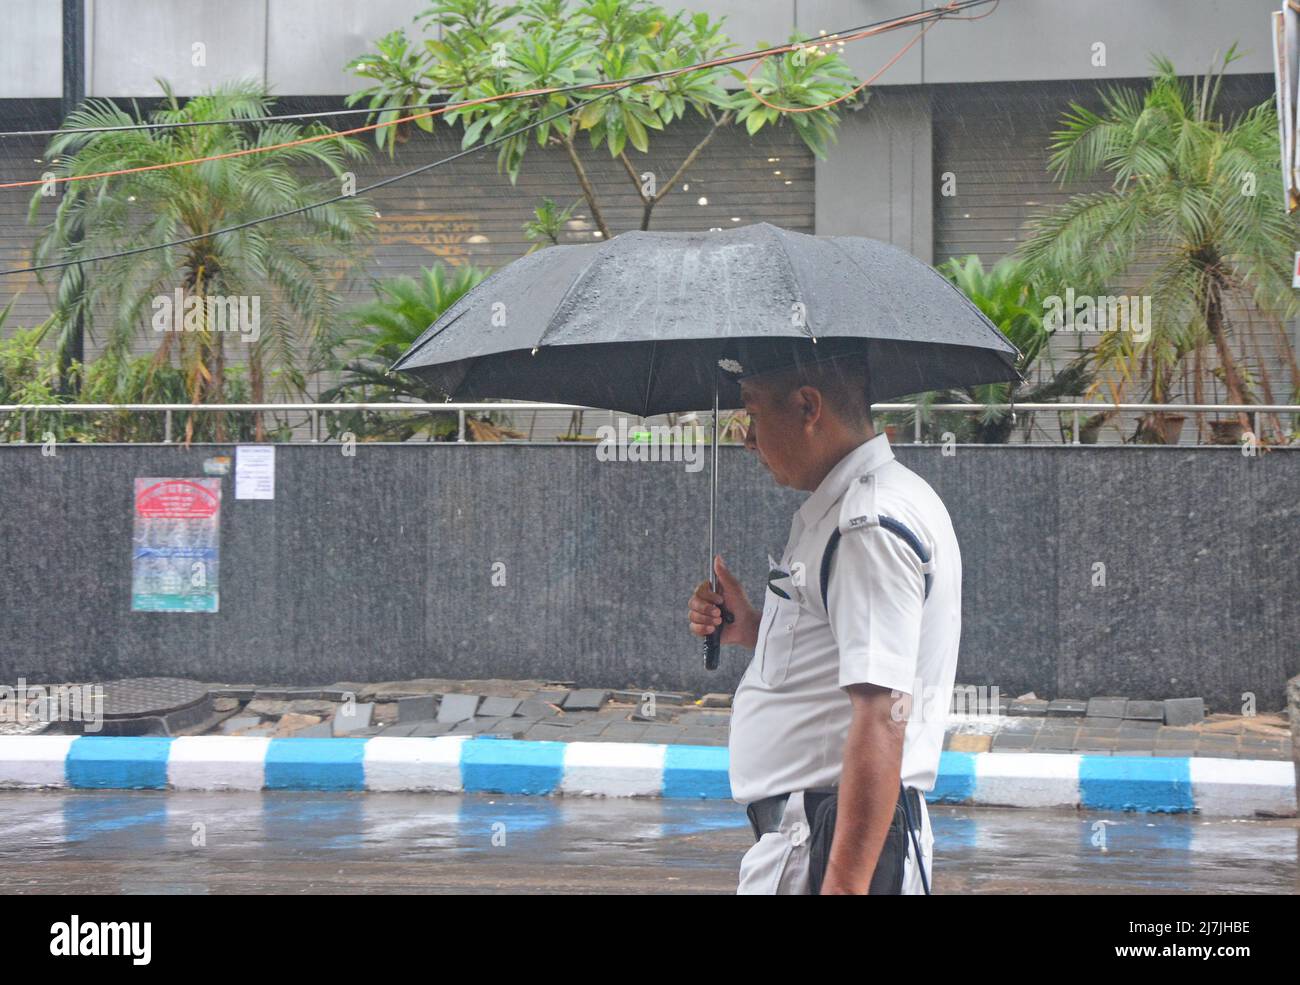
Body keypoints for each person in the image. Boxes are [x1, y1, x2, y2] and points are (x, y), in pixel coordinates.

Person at [686, 347, 962, 895]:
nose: (747, 438)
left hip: (822, 845)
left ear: (808, 407)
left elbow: (883, 714)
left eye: (753, 413)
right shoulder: (852, 509)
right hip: (812, 837)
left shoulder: (868, 528)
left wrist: (843, 886)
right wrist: (751, 627)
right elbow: (845, 649)